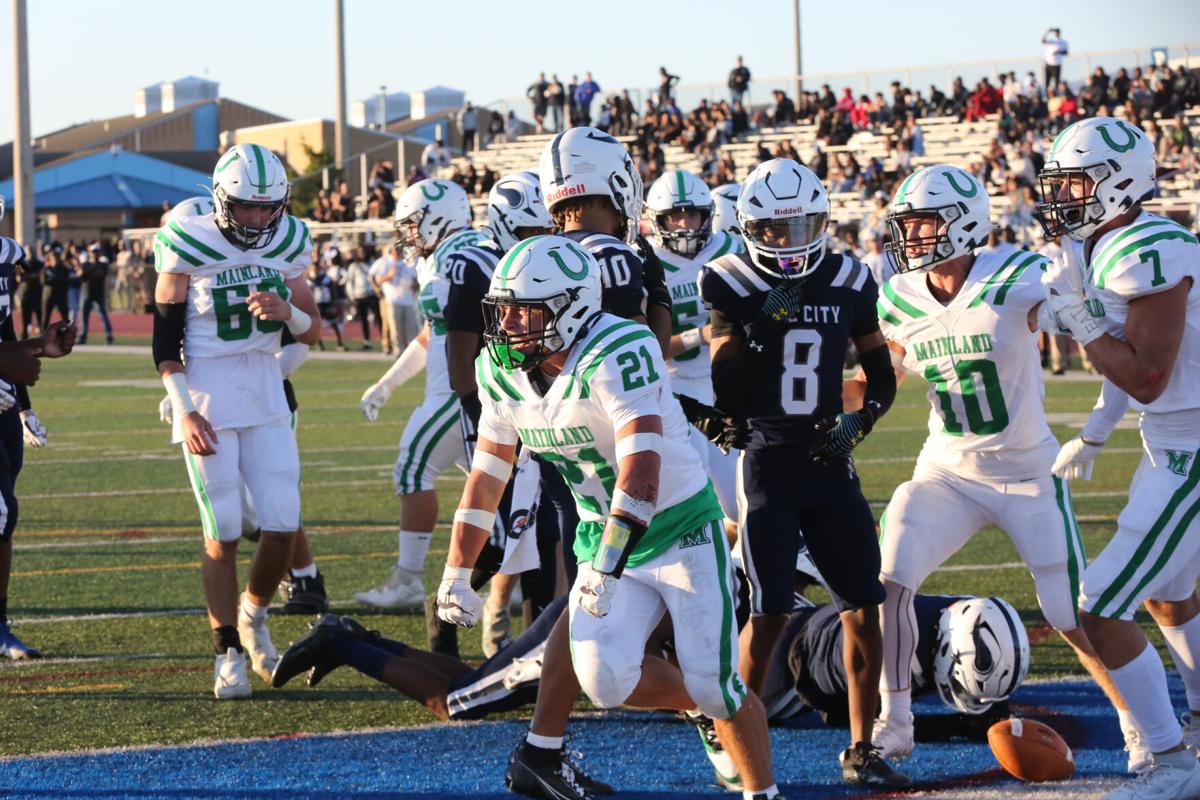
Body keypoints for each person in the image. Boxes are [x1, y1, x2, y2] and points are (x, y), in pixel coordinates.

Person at [438, 235, 783, 800]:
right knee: (604, 681)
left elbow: (641, 474)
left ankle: (762, 792)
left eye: (525, 310)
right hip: (603, 532)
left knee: (718, 687)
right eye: (504, 308)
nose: (508, 323)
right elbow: (487, 473)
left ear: (571, 307)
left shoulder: (619, 349)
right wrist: (456, 570)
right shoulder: (499, 371)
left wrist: (605, 567)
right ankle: (699, 702)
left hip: (680, 528)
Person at [864, 164, 1132, 770]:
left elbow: (1090, 319)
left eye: (924, 223)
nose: (913, 237)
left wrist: (1075, 296)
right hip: (947, 472)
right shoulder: (900, 295)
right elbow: (885, 377)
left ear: (963, 224)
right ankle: (895, 721)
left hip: (1029, 475)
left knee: (1071, 613)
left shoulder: (1016, 276)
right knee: (890, 578)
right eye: (908, 225)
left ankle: (1137, 724)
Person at [700, 158, 908, 788]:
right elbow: (726, 386)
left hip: (828, 459)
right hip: (765, 459)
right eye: (775, 229)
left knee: (863, 606)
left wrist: (863, 419)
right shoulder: (728, 280)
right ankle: (727, 732)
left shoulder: (849, 276)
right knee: (767, 613)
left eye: (802, 226)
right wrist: (764, 324)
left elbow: (880, 372)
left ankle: (861, 748)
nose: (789, 242)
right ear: (749, 227)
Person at [1038, 116, 1200, 799]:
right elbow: (1127, 365)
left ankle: (1169, 762)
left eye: (1077, 180)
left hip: (1192, 448)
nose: (1065, 194)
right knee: (1172, 599)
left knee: (1099, 606)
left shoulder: (1151, 245)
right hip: (1169, 439)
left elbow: (1147, 376)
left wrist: (1076, 320)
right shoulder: (1106, 242)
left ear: (1119, 181)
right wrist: (1100, 431)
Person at [151, 144, 322, 698]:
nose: (256, 218)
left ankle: (254, 614)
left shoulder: (292, 237)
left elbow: (312, 330)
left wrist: (287, 314)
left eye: (266, 207)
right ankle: (226, 649)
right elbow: (164, 341)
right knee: (222, 527)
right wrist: (184, 407)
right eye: (246, 206)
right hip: (207, 390)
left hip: (265, 387)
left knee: (281, 520)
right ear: (222, 199)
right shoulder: (186, 237)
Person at [356, 180, 481, 612]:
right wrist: (388, 383)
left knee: (412, 468)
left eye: (413, 225)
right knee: (494, 487)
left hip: (458, 391)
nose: (408, 235)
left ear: (437, 218)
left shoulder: (459, 257)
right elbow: (434, 333)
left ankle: (408, 579)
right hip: (460, 388)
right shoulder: (449, 255)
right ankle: (513, 577)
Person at [0, 198, 78, 659]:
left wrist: (38, 349)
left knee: (4, 516)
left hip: (4, 404)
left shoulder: (7, 256)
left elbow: (4, 331)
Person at [644, 169, 743, 527]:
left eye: (692, 214)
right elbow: (647, 348)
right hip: (675, 390)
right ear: (659, 220)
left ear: (708, 215)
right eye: (674, 216)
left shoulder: (730, 250)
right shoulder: (646, 263)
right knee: (693, 485)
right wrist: (699, 336)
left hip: (728, 384)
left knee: (737, 502)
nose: (684, 224)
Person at [346, 245, 380, 350]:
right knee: (364, 320)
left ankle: (385, 340)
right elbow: (349, 282)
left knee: (379, 318)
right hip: (360, 296)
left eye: (364, 251)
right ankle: (367, 342)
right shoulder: (354, 266)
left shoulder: (374, 263)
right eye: (361, 252)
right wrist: (352, 296)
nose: (363, 253)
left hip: (372, 295)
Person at [1042, 28, 1069, 92]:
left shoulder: (1063, 42)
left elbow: (1066, 52)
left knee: (1057, 81)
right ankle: (1047, 95)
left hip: (1057, 64)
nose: (1056, 33)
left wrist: (1058, 52)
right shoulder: (1051, 41)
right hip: (1048, 63)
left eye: (1057, 32)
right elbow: (1042, 41)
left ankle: (1057, 94)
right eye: (1055, 32)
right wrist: (1047, 32)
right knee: (1047, 81)